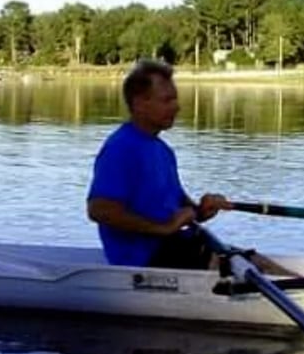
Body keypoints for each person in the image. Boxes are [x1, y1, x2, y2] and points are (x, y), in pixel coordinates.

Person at [86, 58, 232, 270]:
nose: (177, 107)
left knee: (251, 261)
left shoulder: (163, 151)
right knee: (233, 266)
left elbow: (180, 209)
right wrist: (163, 228)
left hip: (172, 247)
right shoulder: (121, 148)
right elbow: (99, 210)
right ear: (139, 104)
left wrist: (202, 210)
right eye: (167, 100)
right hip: (142, 260)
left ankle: (295, 292)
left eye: (175, 99)